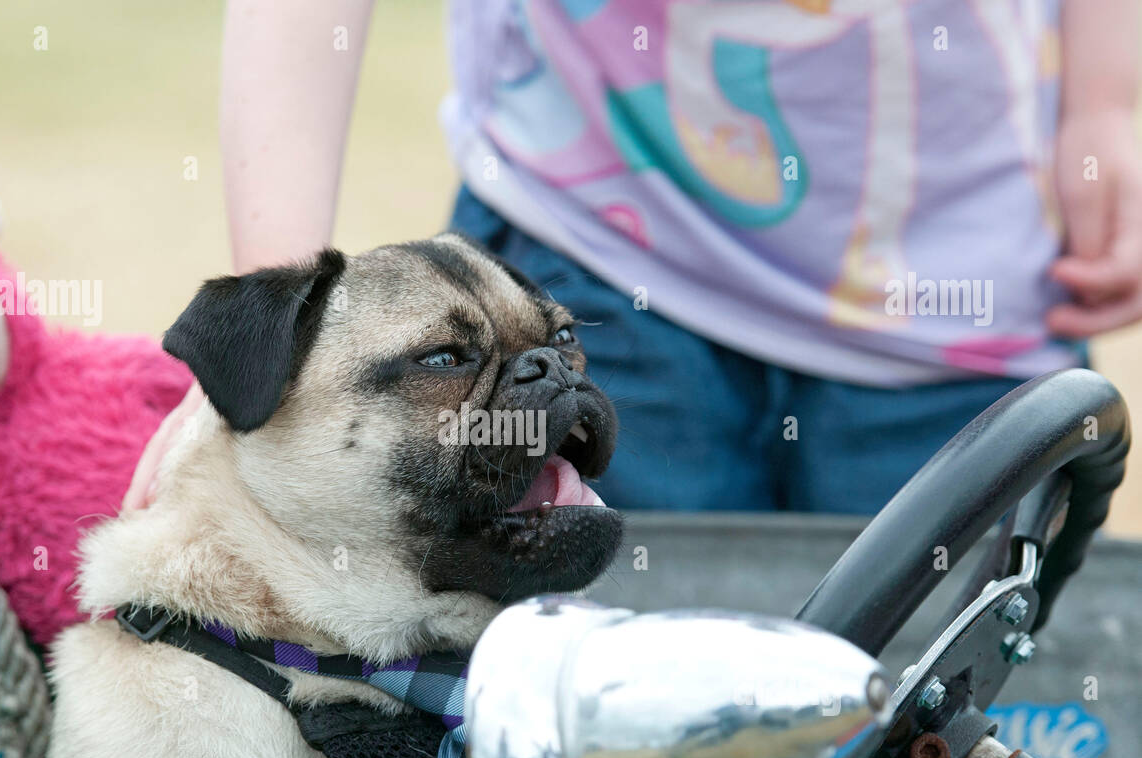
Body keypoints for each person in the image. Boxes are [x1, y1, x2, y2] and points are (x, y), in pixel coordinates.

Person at [128, 0, 1142, 514]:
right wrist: (278, 319)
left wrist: (1114, 96)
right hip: (588, 255)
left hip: (963, 291)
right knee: (592, 757)